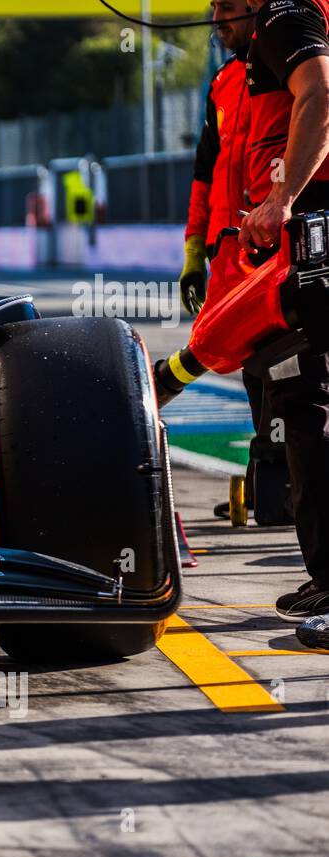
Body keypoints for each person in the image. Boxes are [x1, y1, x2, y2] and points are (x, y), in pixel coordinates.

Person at [227, 0, 329, 646]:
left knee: (309, 397)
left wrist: (284, 196)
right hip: (298, 235)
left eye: (222, 8)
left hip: (313, 225)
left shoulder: (283, 12)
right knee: (302, 397)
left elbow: (319, 89)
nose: (216, 20)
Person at [181, 1, 272, 521]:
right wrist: (195, 252)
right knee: (254, 371)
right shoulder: (222, 82)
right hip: (229, 250)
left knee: (293, 371)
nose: (218, 20)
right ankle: (271, 478)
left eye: (230, 9)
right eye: (214, 7)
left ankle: (284, 480)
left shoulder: (295, 65)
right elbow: (204, 171)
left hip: (277, 243)